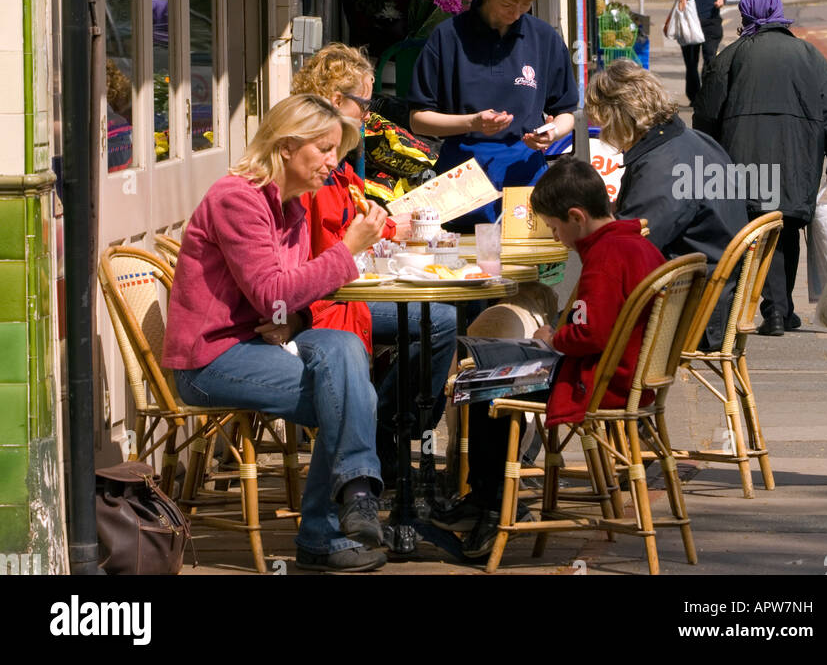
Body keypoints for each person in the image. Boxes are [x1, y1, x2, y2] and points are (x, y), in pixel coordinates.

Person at [162, 94, 392, 573]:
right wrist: (347, 251)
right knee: (353, 398)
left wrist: (295, 319)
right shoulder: (237, 199)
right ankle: (335, 520)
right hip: (212, 358)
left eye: (337, 151)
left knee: (344, 344)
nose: (334, 162)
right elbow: (272, 293)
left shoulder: (293, 206)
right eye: (325, 149)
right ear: (287, 146)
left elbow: (285, 301)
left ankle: (346, 506)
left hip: (265, 341)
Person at [432, 158, 665, 558]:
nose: (557, 239)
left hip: (599, 380)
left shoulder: (605, 258)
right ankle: (487, 497)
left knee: (483, 385)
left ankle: (492, 506)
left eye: (555, 229)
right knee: (494, 364)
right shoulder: (636, 244)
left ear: (576, 217)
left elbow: (591, 333)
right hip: (627, 376)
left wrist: (553, 336)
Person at [291, 43, 458, 480]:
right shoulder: (311, 163)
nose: (369, 115)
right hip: (323, 303)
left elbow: (352, 216)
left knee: (437, 317)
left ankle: (388, 432)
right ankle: (388, 431)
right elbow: (325, 245)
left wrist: (390, 227)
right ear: (334, 100)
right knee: (436, 321)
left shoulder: (333, 155)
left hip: (340, 290)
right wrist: (372, 238)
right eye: (364, 103)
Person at [693, 0, 827, 335]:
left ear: (745, 17)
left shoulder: (731, 56)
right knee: (785, 229)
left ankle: (768, 309)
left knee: (755, 229)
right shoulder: (810, 55)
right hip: (797, 157)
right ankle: (779, 309)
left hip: (746, 159)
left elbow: (705, 117)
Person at [409, 0, 579, 224]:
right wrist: (472, 123)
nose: (515, 13)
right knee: (460, 266)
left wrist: (552, 133)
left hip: (525, 177)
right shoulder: (447, 37)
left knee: (525, 262)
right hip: (460, 180)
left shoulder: (544, 39)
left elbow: (566, 111)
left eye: (525, 5)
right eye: (507, 3)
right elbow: (418, 119)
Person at [585, 58, 748, 346]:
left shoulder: (663, 165)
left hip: (693, 309)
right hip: (713, 294)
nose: (603, 134)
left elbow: (630, 251)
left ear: (620, 115)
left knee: (582, 328)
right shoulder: (690, 141)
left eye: (603, 123)